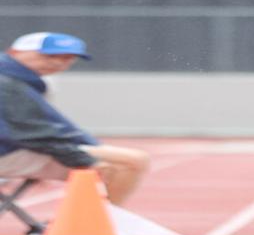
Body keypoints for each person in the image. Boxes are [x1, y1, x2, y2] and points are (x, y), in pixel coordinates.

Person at [0, 33, 150, 206]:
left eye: (67, 59)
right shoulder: (8, 84)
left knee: (127, 159)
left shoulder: (18, 79)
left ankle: (98, 219)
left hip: (14, 148)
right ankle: (99, 222)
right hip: (8, 152)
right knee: (129, 163)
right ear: (15, 52)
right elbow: (31, 133)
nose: (58, 63)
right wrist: (83, 160)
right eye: (49, 56)